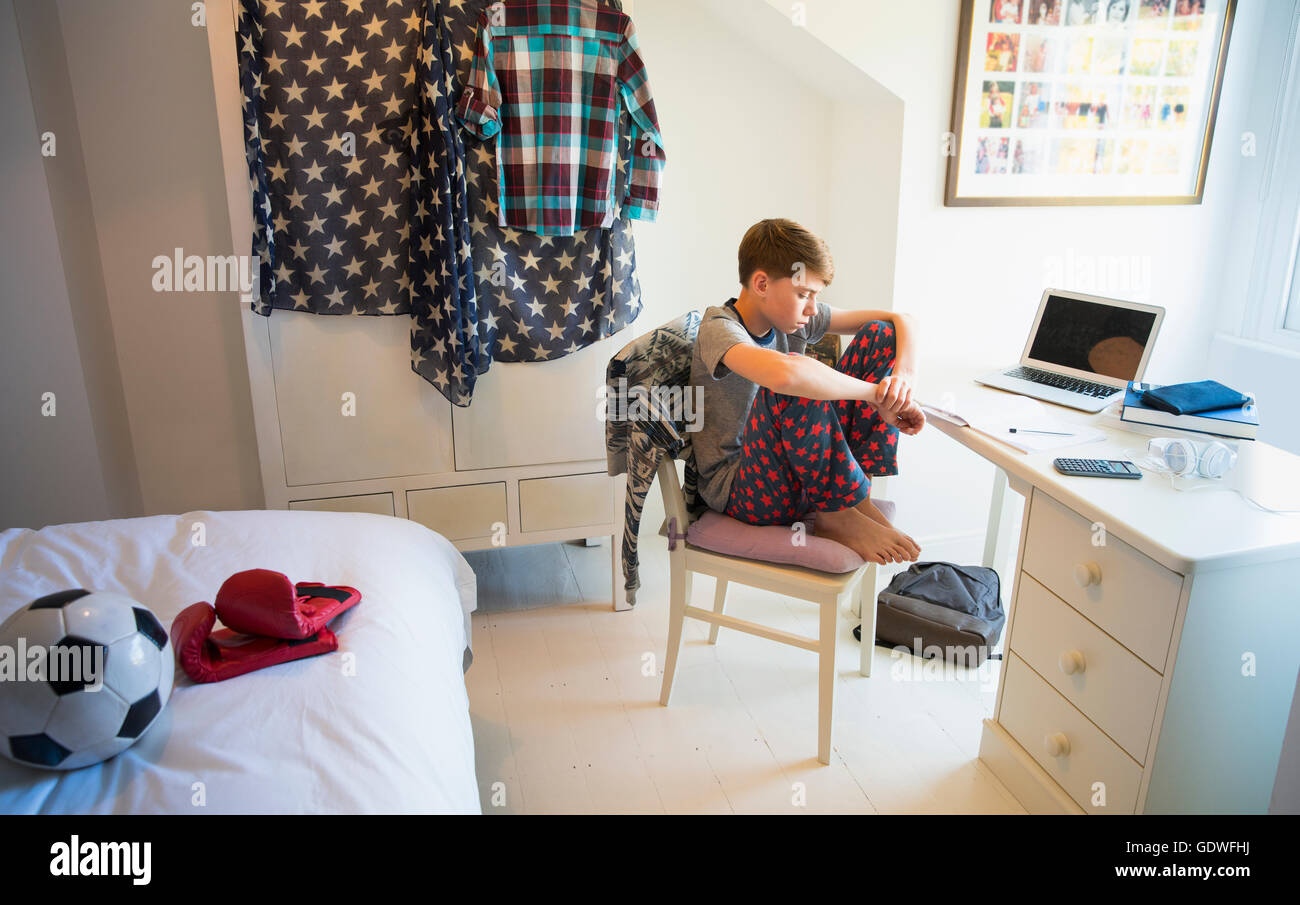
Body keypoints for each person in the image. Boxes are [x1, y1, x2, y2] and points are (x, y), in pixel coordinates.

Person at [689, 219, 925, 566]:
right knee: (796, 376)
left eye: (816, 296)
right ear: (762, 283)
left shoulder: (792, 317)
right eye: (803, 295)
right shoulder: (718, 329)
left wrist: (901, 384)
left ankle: (857, 499)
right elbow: (788, 376)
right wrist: (875, 395)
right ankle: (836, 515)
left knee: (880, 334)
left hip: (802, 473)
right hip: (746, 491)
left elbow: (901, 320)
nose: (813, 308)